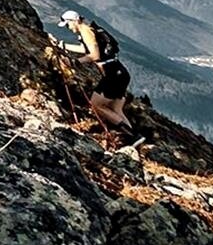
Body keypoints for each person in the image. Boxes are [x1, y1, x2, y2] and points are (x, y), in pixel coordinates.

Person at [51, 11, 144, 148]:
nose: (68, 27)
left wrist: (75, 63)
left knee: (96, 105)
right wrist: (62, 45)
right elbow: (86, 49)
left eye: (68, 24)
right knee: (115, 108)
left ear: (75, 21)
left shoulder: (86, 32)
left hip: (112, 74)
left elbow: (94, 55)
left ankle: (133, 136)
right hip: (120, 73)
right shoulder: (90, 30)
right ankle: (134, 141)